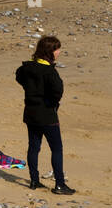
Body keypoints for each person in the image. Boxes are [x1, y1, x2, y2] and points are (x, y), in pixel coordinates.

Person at [15, 35, 75, 194]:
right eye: (57, 49)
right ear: (50, 52)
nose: (59, 52)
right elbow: (58, 91)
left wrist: (31, 90)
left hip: (31, 113)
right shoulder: (49, 72)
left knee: (34, 147)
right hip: (47, 115)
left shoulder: (27, 67)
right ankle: (60, 184)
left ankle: (34, 181)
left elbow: (19, 76)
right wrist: (52, 103)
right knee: (56, 148)